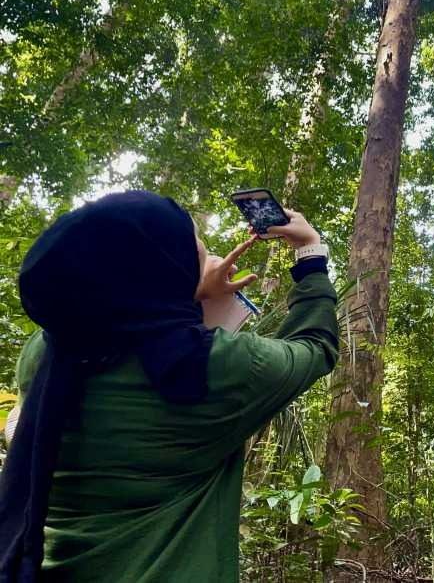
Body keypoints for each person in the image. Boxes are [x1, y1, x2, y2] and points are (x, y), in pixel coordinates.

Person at [0, 190, 338, 582]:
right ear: (166, 263)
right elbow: (315, 346)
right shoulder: (220, 369)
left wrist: (192, 297)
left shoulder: (45, 352)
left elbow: (137, 332)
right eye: (194, 241)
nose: (204, 248)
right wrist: (310, 251)